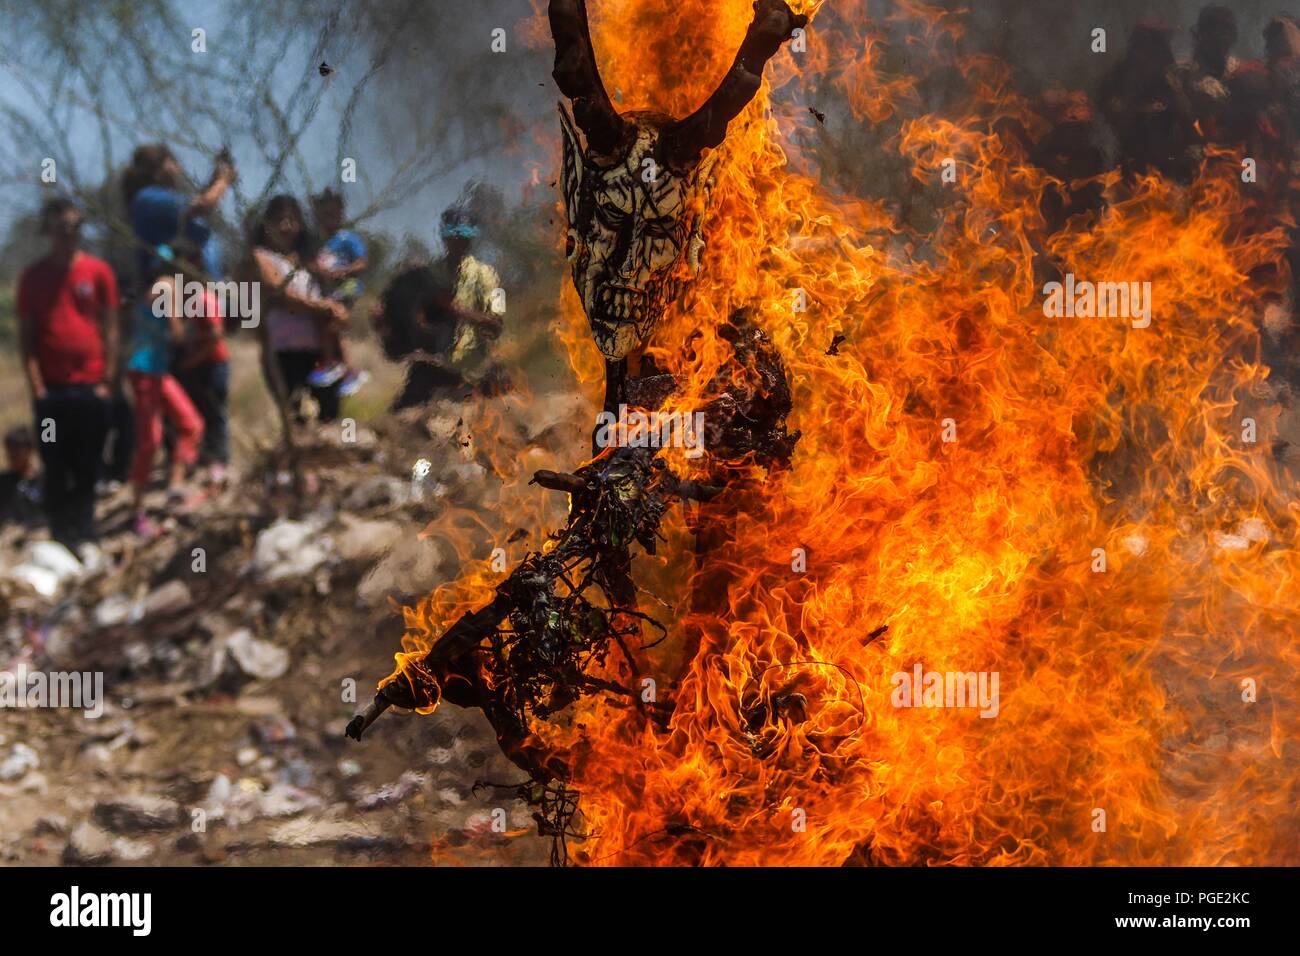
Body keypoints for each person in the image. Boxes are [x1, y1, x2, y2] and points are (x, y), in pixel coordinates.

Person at [16, 197, 119, 547]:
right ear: (48, 231)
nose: (68, 234)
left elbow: (111, 327)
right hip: (52, 394)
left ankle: (85, 527)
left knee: (89, 462)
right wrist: (37, 388)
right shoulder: (33, 278)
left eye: (75, 227)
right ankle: (61, 533)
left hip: (91, 389)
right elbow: (26, 337)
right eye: (61, 228)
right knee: (55, 462)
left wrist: (107, 380)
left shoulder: (98, 272)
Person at [124, 243, 205, 537]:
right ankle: (137, 511)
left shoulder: (154, 288)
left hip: (156, 371)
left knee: (191, 424)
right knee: (151, 442)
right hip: (145, 370)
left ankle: (174, 488)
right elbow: (176, 333)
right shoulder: (166, 286)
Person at [248, 195, 349, 423]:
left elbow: (333, 287)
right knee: (295, 415)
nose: (286, 226)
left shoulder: (309, 259)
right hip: (284, 351)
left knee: (329, 412)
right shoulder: (261, 257)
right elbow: (281, 295)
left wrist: (338, 310)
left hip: (318, 351)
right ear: (267, 225)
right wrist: (324, 307)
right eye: (279, 220)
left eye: (292, 220)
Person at [1098, 19, 1200, 182]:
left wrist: (1178, 91)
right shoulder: (1118, 75)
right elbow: (1110, 113)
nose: (1158, 51)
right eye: (1152, 43)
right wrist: (1138, 110)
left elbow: (1189, 118)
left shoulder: (1169, 75)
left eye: (1161, 44)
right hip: (1131, 156)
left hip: (1168, 158)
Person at [122, 143, 235, 280]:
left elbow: (198, 203)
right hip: (178, 288)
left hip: (201, 286)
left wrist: (216, 178)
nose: (179, 169)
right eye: (173, 163)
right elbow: (204, 205)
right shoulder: (148, 197)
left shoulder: (163, 199)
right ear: (158, 171)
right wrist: (224, 180)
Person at [307, 189, 369, 396]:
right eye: (323, 215)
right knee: (324, 325)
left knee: (335, 325)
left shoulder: (347, 239)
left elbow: (362, 262)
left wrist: (342, 271)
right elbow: (313, 264)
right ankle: (333, 363)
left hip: (346, 289)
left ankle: (348, 369)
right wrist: (319, 271)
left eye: (332, 214)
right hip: (328, 292)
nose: (327, 219)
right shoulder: (319, 242)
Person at [0, 427, 42, 527]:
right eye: (9, 451)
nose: (12, 456)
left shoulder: (44, 480)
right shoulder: (4, 483)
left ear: (30, 449)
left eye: (16, 451)